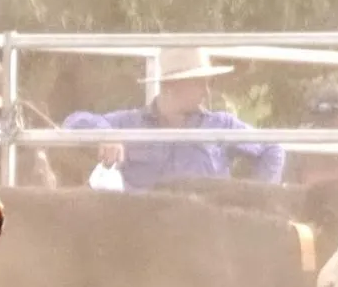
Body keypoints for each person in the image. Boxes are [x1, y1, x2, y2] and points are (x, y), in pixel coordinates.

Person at [62, 47, 284, 190]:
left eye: (208, 84)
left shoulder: (221, 125)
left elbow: (272, 148)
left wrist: (257, 198)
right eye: (199, 83)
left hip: (206, 236)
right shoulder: (130, 124)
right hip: (146, 235)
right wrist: (105, 134)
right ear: (171, 85)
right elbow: (74, 121)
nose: (206, 92)